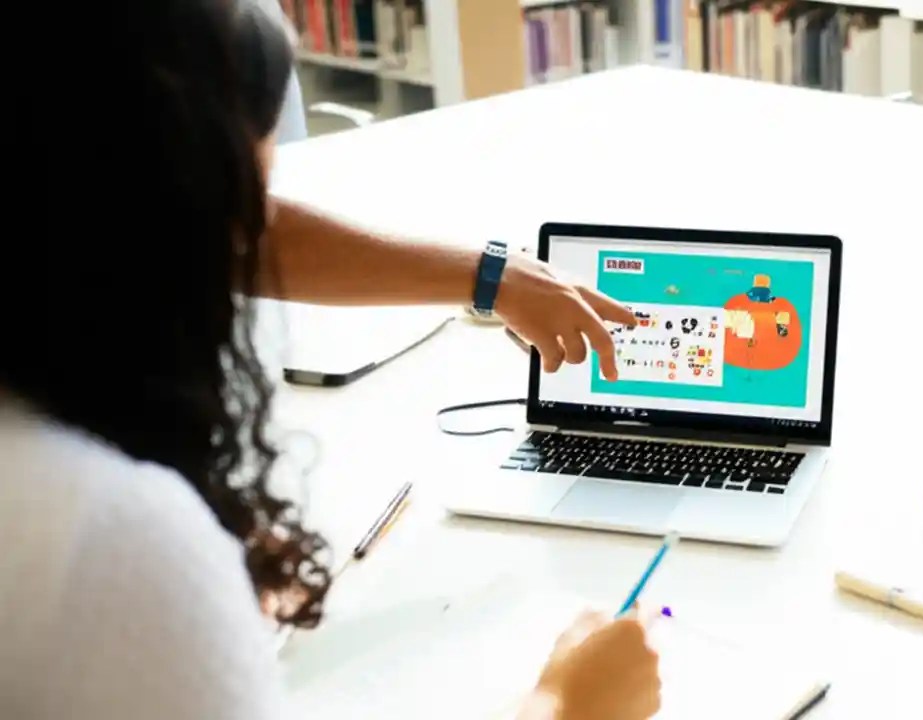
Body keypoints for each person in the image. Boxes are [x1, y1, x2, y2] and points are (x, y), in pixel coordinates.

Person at [0, 1, 658, 719]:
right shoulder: (116, 538)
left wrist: (490, 275)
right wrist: (564, 703)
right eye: (247, 189)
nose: (257, 224)